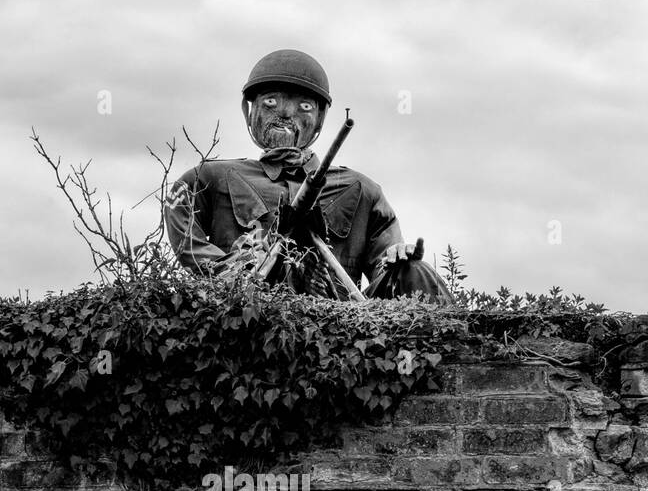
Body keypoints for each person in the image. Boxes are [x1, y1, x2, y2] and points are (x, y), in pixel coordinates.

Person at [164, 48, 453, 303]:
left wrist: (395, 258)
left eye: (303, 106)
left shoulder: (360, 189)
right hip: (251, 319)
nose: (286, 113)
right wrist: (238, 271)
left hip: (342, 325)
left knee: (414, 269)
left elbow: (386, 266)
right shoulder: (211, 178)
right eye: (270, 102)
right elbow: (186, 234)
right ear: (249, 110)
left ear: (319, 118)